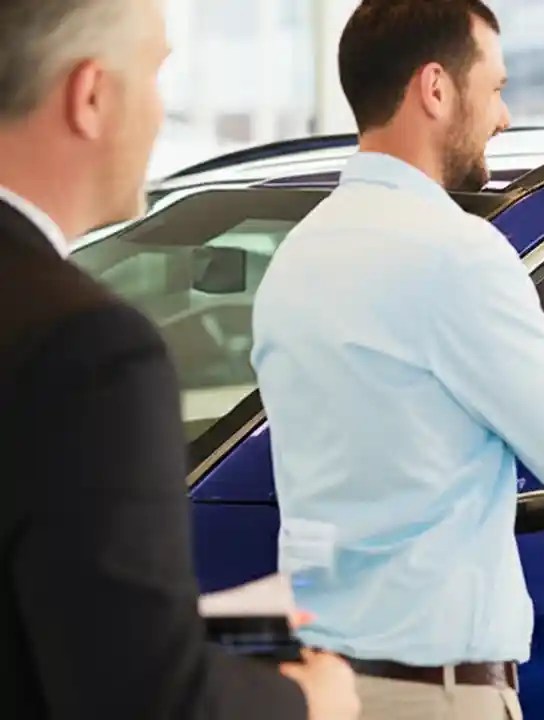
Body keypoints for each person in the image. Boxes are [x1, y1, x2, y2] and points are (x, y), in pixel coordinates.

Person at [249, 1, 544, 717]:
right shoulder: (453, 253)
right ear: (435, 88)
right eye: (494, 88)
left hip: (325, 685)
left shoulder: (298, 256)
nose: (505, 115)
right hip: (434, 694)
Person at [0, 1, 360, 718]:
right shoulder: (91, 351)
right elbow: (142, 698)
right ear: (92, 95)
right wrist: (308, 702)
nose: (163, 111)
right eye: (157, 74)